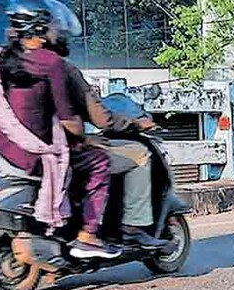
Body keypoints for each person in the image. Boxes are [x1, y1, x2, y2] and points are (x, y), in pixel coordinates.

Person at [0, 0, 119, 259]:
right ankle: (87, 236)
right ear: (40, 28)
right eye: (51, 25)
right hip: (27, 152)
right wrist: (87, 140)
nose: (55, 30)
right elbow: (67, 118)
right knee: (97, 162)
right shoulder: (51, 62)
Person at [42, 7, 167, 250]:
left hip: (30, 148)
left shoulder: (12, 65)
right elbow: (102, 119)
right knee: (140, 155)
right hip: (63, 150)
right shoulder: (63, 69)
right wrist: (134, 123)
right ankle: (131, 227)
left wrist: (85, 136)